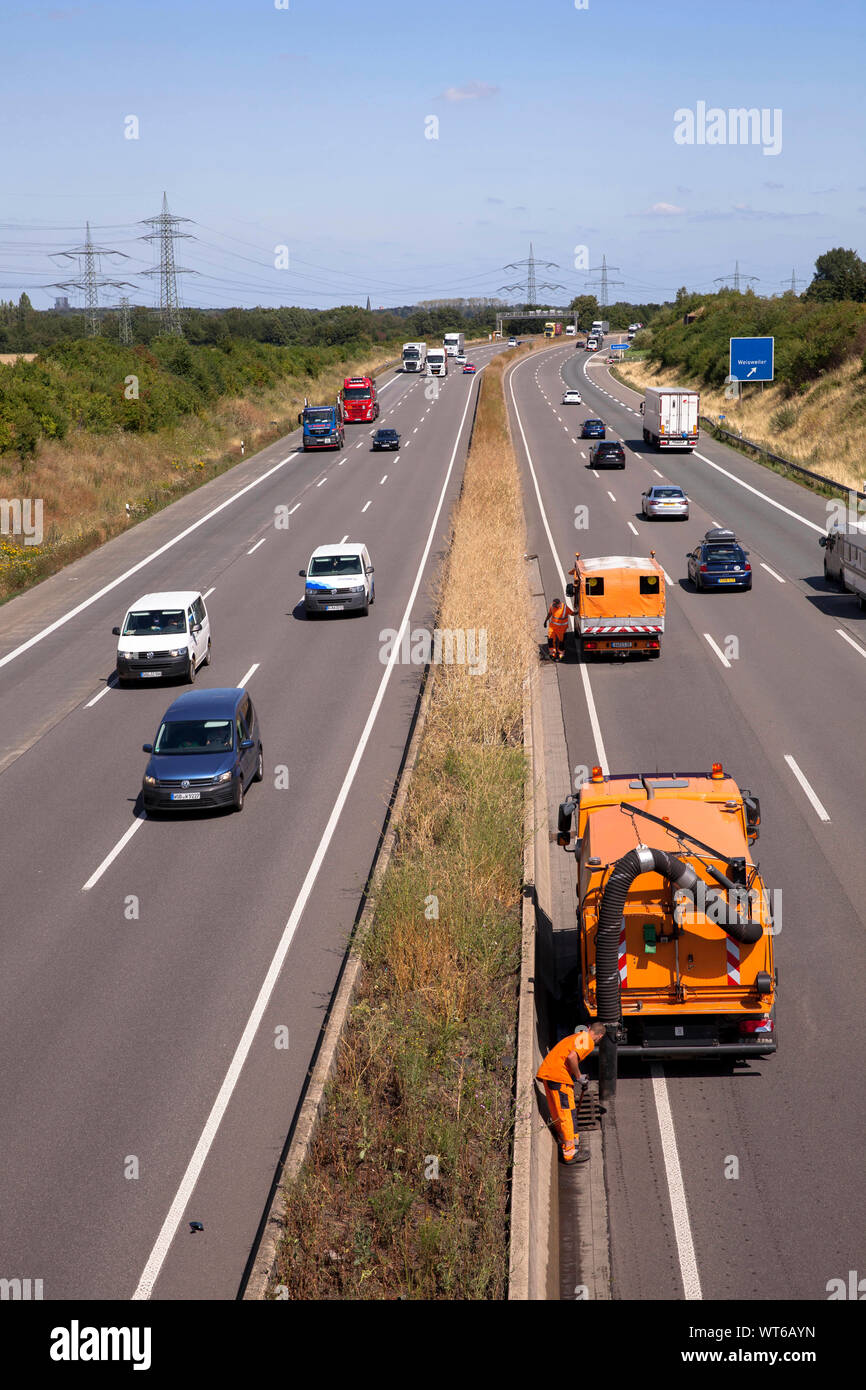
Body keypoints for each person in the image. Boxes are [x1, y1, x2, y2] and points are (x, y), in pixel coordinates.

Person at [536, 1023, 606, 1164]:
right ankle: (570, 1154)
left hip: (550, 1074)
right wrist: (579, 1076)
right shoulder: (588, 1040)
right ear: (600, 1036)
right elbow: (572, 1057)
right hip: (558, 1077)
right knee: (566, 1114)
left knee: (559, 1112)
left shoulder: (578, 1036)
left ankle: (567, 1140)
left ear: (589, 1027)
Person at [544, 596, 574, 661]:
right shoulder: (552, 606)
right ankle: (552, 653)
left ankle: (561, 654)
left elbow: (572, 613)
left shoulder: (565, 608)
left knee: (561, 642)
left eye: (556, 605)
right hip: (552, 627)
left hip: (561, 628)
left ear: (559, 603)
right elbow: (549, 614)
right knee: (550, 639)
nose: (554, 606)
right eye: (554, 605)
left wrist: (578, 613)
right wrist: (545, 621)